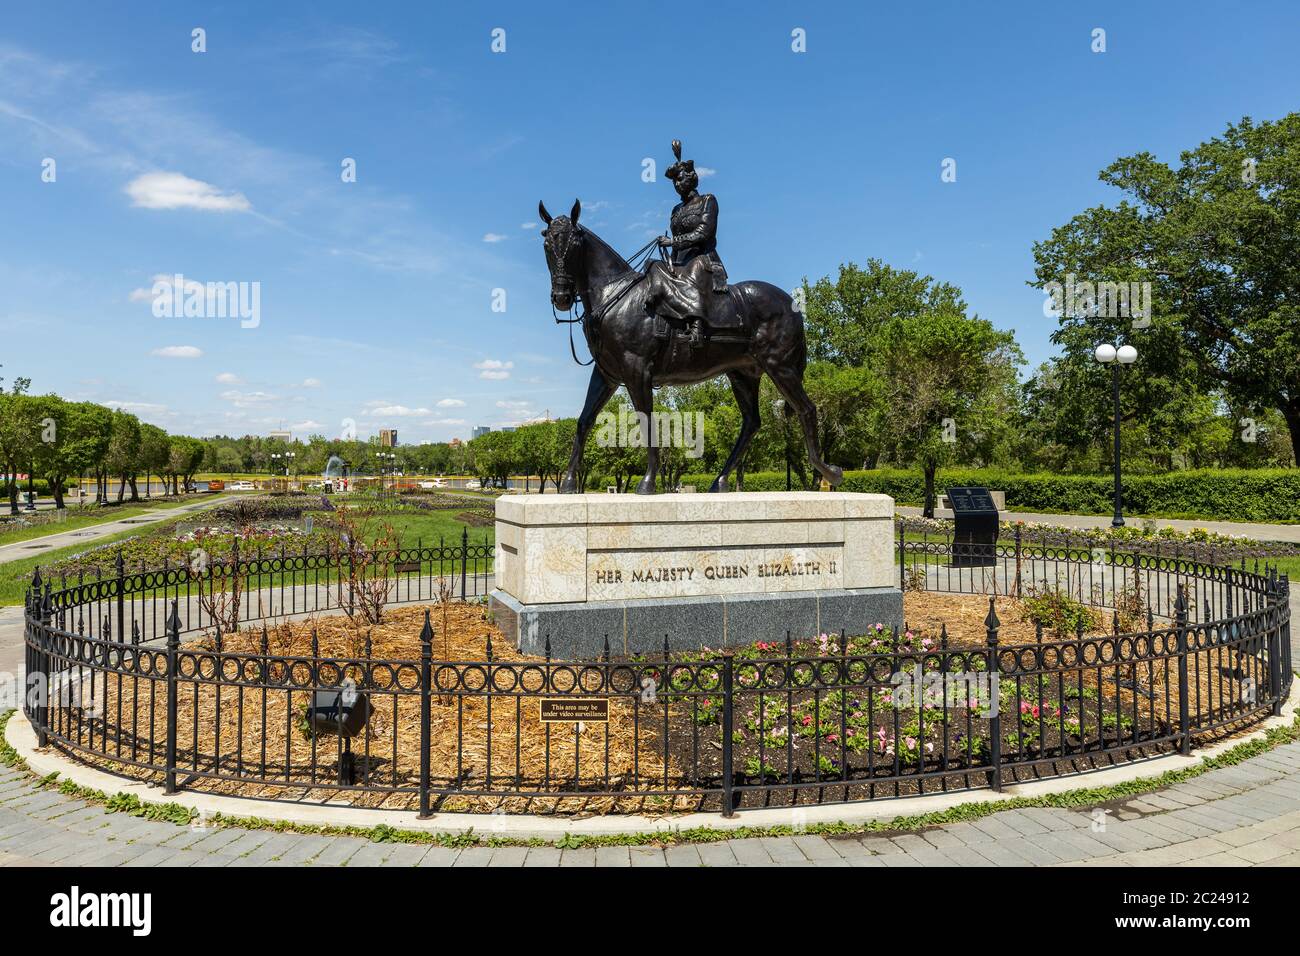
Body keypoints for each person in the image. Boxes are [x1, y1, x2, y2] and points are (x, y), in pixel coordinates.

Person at [652, 140, 731, 347]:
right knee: (653, 267)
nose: (677, 185)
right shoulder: (676, 209)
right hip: (678, 261)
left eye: (679, 180)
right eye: (674, 182)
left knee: (693, 270)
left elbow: (704, 233)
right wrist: (667, 247)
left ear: (691, 178)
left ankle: (698, 324)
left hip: (702, 258)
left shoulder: (707, 200)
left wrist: (672, 241)